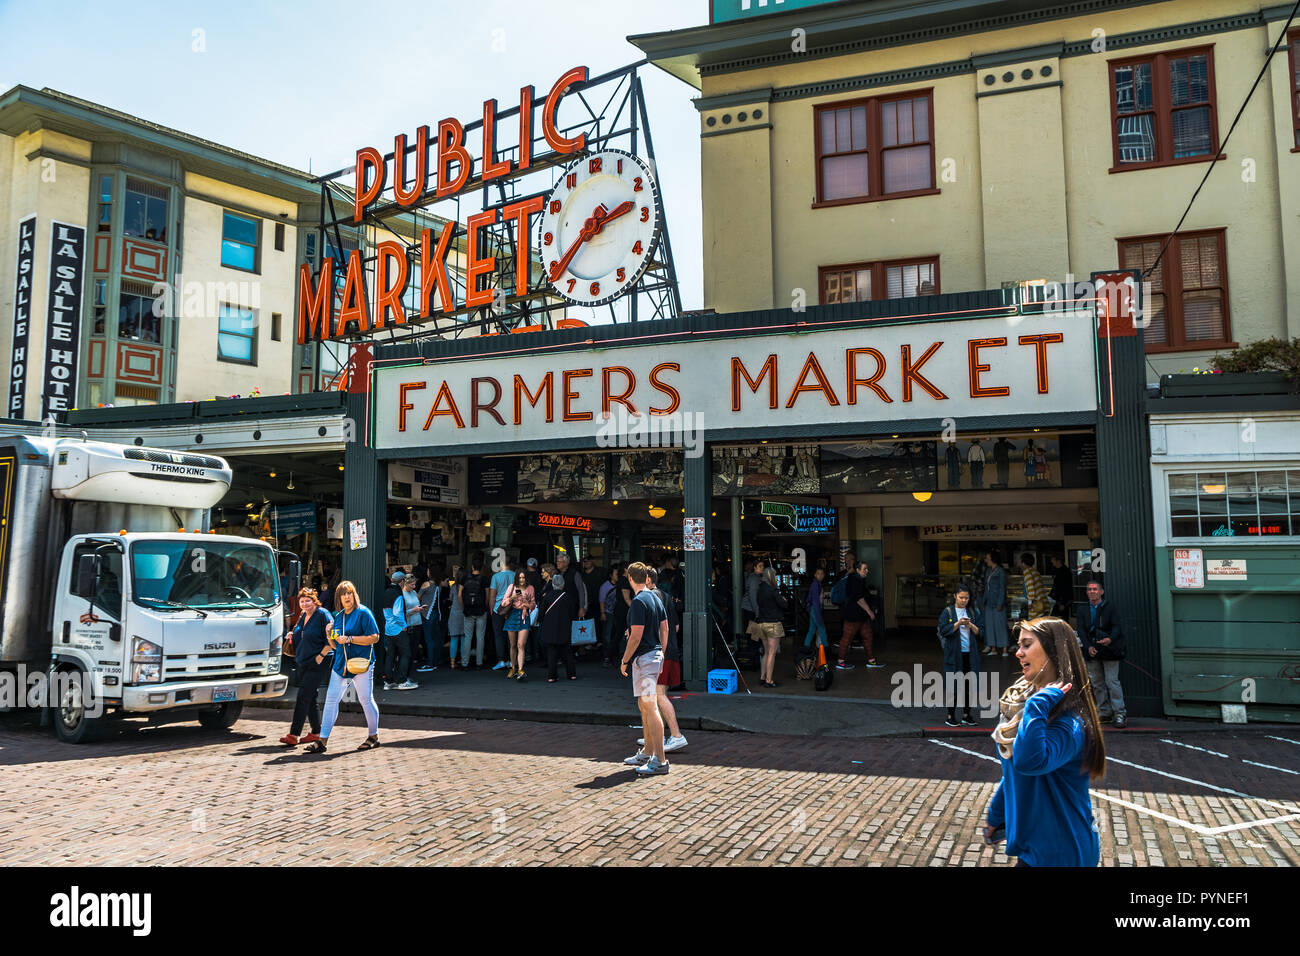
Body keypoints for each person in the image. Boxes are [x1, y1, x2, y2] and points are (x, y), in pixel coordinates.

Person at [985, 617, 1105, 867]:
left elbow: (1030, 762)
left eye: (1027, 645)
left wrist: (1036, 704)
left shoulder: (1069, 723)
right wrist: (998, 813)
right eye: (1019, 645)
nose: (1018, 653)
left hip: (1064, 852)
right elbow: (1014, 769)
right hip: (1037, 849)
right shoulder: (1027, 706)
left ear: (1054, 652)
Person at [306, 580, 382, 754]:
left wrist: (350, 639)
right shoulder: (338, 617)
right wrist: (328, 634)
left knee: (365, 699)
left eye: (350, 593)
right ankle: (322, 741)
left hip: (361, 663)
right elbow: (334, 646)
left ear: (354, 595)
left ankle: (373, 736)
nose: (347, 597)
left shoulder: (364, 613)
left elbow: (375, 637)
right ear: (339, 597)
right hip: (341, 665)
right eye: (343, 594)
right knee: (331, 700)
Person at [620, 562, 671, 777]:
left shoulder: (638, 602)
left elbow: (636, 636)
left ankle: (660, 760)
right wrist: (661, 653)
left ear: (631, 578)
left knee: (649, 705)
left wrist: (624, 660)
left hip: (645, 658)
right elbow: (665, 628)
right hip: (653, 656)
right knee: (644, 704)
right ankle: (648, 751)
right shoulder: (654, 597)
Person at [281, 587, 334, 746]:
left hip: (318, 662)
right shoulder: (303, 615)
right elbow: (302, 634)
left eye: (308, 600)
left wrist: (321, 656)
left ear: (314, 600)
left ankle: (293, 734)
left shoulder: (323, 615)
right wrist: (292, 635)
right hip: (303, 661)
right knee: (310, 697)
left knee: (303, 696)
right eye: (302, 601)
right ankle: (316, 733)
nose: (305, 604)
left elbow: (332, 639)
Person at [642, 567, 687, 752]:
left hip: (660, 653)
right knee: (658, 695)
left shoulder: (652, 597)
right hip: (669, 652)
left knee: (659, 695)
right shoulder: (665, 596)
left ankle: (676, 735)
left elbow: (660, 627)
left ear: (647, 580)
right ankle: (656, 734)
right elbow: (675, 626)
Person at [1076, 581, 1127, 728]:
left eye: (1095, 589)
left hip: (1109, 649)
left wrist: (1110, 639)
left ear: (1101, 592)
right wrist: (1088, 646)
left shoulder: (1110, 607)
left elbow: (1117, 626)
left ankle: (1120, 713)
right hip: (1092, 650)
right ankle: (1103, 712)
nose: (1092, 592)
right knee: (1097, 683)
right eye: (1089, 590)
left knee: (1112, 682)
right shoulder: (1082, 609)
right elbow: (1081, 630)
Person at [937, 585, 983, 726]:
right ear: (955, 596)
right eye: (961, 597)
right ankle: (950, 716)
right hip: (954, 655)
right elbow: (944, 630)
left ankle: (966, 714)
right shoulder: (948, 612)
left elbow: (980, 632)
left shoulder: (972, 612)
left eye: (966, 598)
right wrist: (958, 624)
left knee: (969, 685)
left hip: (969, 654)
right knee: (953, 686)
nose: (964, 600)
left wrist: (970, 626)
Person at [836, 559, 879, 670]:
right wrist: (869, 611)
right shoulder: (854, 580)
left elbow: (864, 596)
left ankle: (872, 661)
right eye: (864, 569)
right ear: (858, 570)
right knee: (847, 638)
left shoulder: (860, 580)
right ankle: (840, 662)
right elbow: (859, 598)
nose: (867, 571)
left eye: (867, 569)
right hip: (853, 616)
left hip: (861, 615)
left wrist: (870, 609)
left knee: (868, 637)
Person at [537, 564, 577, 682]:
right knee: (567, 653)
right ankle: (572, 674)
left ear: (553, 584)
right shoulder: (568, 597)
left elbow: (541, 614)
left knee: (552, 653)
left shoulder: (547, 597)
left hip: (549, 629)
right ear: (563, 584)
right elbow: (573, 614)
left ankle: (551, 676)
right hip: (565, 628)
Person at [387, 575, 423, 690]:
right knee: (405, 653)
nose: (414, 586)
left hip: (416, 623)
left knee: (410, 653)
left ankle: (403, 677)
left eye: (415, 584)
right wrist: (414, 610)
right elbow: (400, 613)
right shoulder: (400, 595)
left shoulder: (413, 592)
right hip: (407, 626)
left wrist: (419, 608)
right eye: (412, 584)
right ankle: (402, 678)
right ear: (404, 583)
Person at [754, 566, 787, 688]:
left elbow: (758, 603)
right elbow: (783, 604)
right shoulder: (773, 590)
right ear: (771, 577)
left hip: (761, 623)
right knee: (772, 653)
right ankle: (769, 680)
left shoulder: (760, 589)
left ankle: (762, 677)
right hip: (773, 623)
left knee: (766, 652)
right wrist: (783, 599)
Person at [501, 569, 536, 680]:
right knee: (513, 645)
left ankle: (521, 669)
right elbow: (503, 603)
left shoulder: (530, 588)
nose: (522, 580)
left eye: (523, 577)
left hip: (524, 615)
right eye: (520, 577)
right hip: (512, 614)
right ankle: (513, 668)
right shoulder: (512, 587)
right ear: (517, 578)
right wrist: (512, 598)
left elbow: (533, 604)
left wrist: (527, 603)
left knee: (521, 644)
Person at [459, 560, 490, 669]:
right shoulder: (485, 579)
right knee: (480, 637)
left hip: (468, 610)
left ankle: (464, 663)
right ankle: (479, 662)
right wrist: (485, 606)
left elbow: (459, 595)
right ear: (481, 568)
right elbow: (487, 595)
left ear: (472, 567)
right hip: (481, 610)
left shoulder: (464, 578)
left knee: (468, 637)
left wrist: (464, 607)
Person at [380, 571, 407, 689]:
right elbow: (397, 613)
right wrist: (404, 625)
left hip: (388, 629)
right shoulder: (398, 594)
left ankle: (388, 681)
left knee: (390, 655)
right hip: (398, 629)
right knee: (406, 654)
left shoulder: (386, 592)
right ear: (401, 582)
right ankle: (402, 681)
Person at [489, 556, 515, 671]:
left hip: (498, 609)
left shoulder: (495, 577)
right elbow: (519, 592)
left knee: (499, 635)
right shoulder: (515, 575)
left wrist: (491, 609)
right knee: (512, 635)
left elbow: (492, 596)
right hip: (513, 608)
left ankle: (501, 661)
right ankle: (511, 660)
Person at [981, 549, 1009, 655]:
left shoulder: (1000, 571)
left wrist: (1000, 603)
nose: (986, 560)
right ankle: (993, 648)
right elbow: (986, 588)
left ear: (993, 559)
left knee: (1000, 625)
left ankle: (1004, 648)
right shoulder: (988, 571)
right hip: (989, 602)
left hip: (997, 603)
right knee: (990, 625)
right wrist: (984, 602)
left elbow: (1002, 588)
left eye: (987, 558)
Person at [417, 573, 443, 674]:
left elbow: (418, 597)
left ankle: (430, 663)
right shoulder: (438, 585)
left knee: (429, 639)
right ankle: (436, 661)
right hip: (436, 613)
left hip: (427, 613)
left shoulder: (426, 584)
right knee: (436, 638)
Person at [556, 553, 588, 619]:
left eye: (559, 561)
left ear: (565, 563)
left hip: (573, 607)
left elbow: (581, 591)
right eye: (557, 561)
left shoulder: (575, 574)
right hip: (560, 607)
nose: (557, 563)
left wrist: (582, 607)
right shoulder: (557, 575)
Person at [803, 567, 828, 650]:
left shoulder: (817, 584)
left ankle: (806, 647)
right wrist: (818, 615)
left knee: (812, 629)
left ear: (824, 575)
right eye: (818, 573)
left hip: (814, 609)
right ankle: (826, 649)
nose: (820, 575)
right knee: (822, 629)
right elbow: (815, 601)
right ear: (815, 575)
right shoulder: (815, 585)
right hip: (815, 609)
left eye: (822, 574)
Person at [599, 566, 619, 667]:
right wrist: (603, 613)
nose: (618, 576)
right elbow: (602, 601)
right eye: (616, 574)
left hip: (617, 613)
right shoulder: (605, 586)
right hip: (608, 612)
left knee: (616, 635)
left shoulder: (620, 585)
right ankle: (606, 656)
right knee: (607, 635)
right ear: (611, 575)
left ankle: (613, 655)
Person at [1020, 553, 1050, 620]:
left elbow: (1031, 588)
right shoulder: (1036, 572)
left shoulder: (1027, 572)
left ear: (1023, 563)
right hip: (1043, 603)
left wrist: (1030, 603)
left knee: (1034, 625)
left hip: (1036, 605)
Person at [447, 569, 467, 670]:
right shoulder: (466, 586)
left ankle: (452, 663)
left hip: (454, 614)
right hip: (463, 614)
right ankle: (463, 661)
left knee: (453, 639)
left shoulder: (454, 586)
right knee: (464, 639)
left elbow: (450, 598)